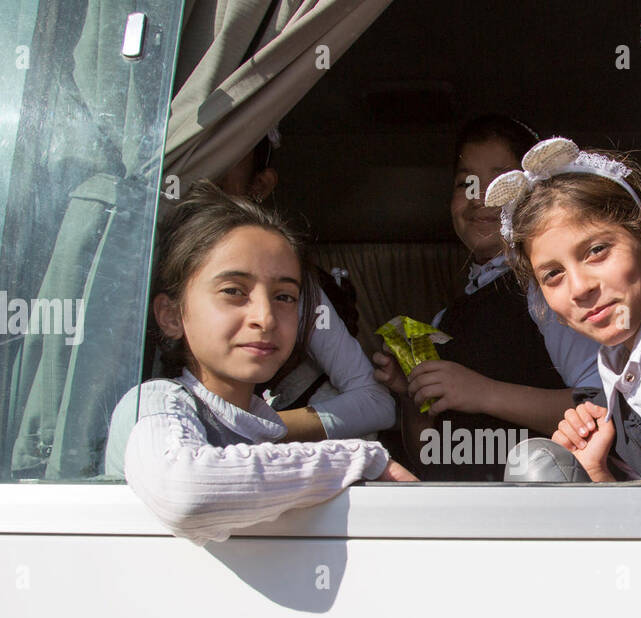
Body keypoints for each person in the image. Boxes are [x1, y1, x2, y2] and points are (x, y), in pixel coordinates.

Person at [104, 181, 414, 543]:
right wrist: (357, 458)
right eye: (234, 291)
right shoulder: (156, 404)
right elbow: (188, 494)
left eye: (285, 296)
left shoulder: (263, 429)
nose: (265, 317)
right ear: (171, 315)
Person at [371, 115, 601, 481]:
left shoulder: (548, 293)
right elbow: (430, 456)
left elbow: (601, 409)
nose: (480, 198)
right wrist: (413, 396)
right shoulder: (444, 321)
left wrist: (481, 392)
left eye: (500, 181)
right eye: (467, 183)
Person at [488, 137, 641, 482]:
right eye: (553, 274)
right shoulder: (605, 398)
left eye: (597, 250)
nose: (581, 287)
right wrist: (596, 472)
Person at [215, 130, 395, 443]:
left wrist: (257, 427)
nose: (207, 177)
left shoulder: (295, 284)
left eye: (223, 158)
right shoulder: (147, 267)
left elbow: (376, 402)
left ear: (260, 186)